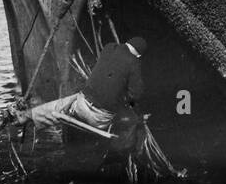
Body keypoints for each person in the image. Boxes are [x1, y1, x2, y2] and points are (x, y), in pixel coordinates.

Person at [15, 37, 147, 139]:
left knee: (63, 103)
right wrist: (125, 101)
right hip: (99, 120)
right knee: (126, 115)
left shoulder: (109, 47)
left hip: (81, 106)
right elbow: (136, 95)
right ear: (139, 55)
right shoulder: (134, 62)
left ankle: (28, 115)